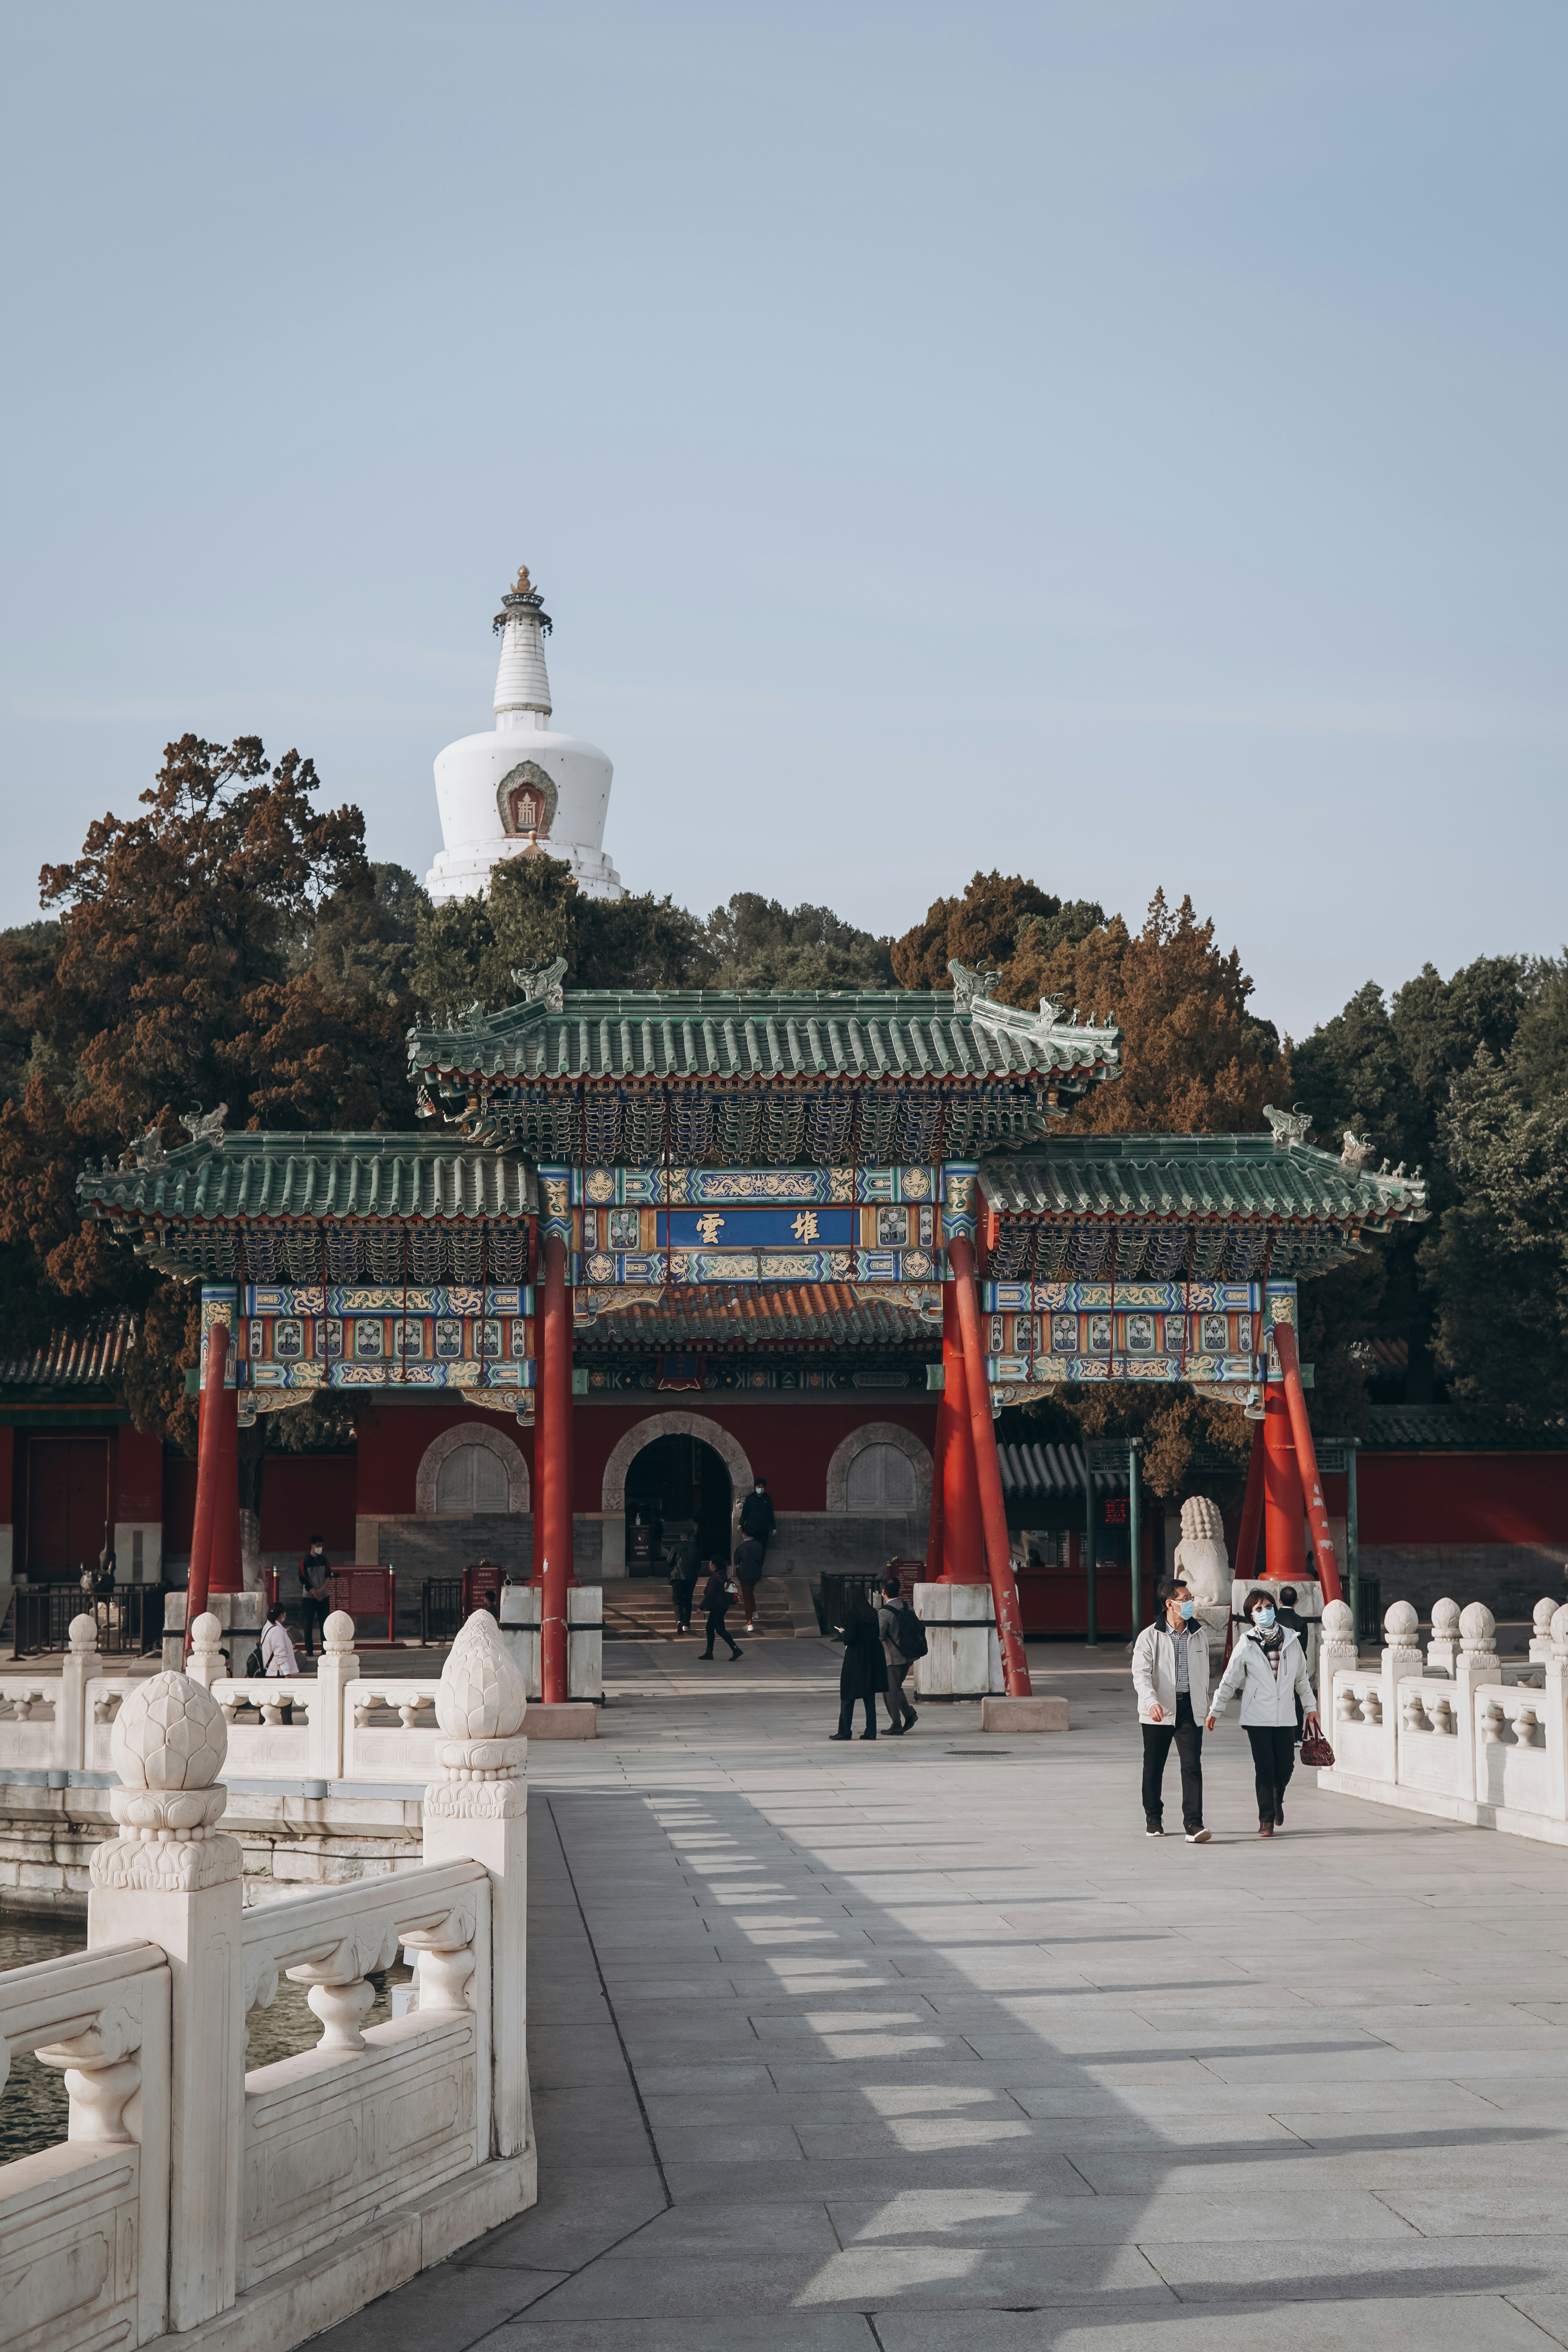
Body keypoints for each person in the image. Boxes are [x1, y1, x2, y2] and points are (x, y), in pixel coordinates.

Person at [1206, 1586, 1321, 1835]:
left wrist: (1311, 1708)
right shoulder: (1246, 1644)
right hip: (1257, 1716)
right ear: (1251, 1615)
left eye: (1269, 1607)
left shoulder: (1291, 1639)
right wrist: (1216, 1709)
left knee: (1286, 1765)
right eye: (1259, 1609)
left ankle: (1278, 1798)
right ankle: (1266, 1818)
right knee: (1265, 1766)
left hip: (1286, 1716)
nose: (1265, 1612)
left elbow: (1302, 1679)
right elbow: (1230, 1679)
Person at [1131, 1578, 1212, 1842]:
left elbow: (1204, 1674)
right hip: (1160, 1709)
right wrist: (1151, 1702)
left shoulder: (1199, 1634)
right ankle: (1153, 1817)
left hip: (1189, 1708)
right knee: (1154, 1766)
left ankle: (1194, 1824)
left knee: (1192, 1766)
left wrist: (1206, 1707)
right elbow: (1141, 1675)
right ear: (1170, 1604)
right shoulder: (1149, 1636)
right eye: (1187, 1599)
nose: (1191, 1603)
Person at [831, 1590, 888, 1741]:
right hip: (872, 1657)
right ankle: (871, 1731)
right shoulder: (872, 1613)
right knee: (869, 1695)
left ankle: (844, 1731)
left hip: (856, 1657)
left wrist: (844, 1633)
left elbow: (850, 1639)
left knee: (848, 1694)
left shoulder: (854, 1614)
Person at [875, 1572, 921, 1735]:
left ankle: (896, 1725)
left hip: (893, 1658)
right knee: (897, 1687)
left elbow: (880, 1635)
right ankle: (909, 1714)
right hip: (909, 1655)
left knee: (890, 1692)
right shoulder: (909, 1607)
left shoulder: (884, 1612)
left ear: (883, 1592)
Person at [698, 1563, 742, 1660]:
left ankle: (736, 1649)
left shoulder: (715, 1578)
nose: (709, 1565)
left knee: (720, 1630)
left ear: (714, 1565)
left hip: (717, 1607)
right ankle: (709, 1652)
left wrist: (701, 1608)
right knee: (710, 1628)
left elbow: (710, 1594)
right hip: (722, 1606)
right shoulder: (723, 1576)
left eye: (710, 1563)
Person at [298, 1539, 330, 1655]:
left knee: (325, 1624)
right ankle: (309, 1650)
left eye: (322, 1546)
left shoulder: (324, 1560)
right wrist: (314, 1592)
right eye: (318, 1546)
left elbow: (328, 1576)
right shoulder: (305, 1561)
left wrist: (321, 1591)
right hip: (309, 1598)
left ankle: (325, 1649)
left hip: (324, 1596)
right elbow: (303, 1579)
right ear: (312, 1545)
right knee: (308, 1624)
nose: (320, 1548)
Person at [667, 1526, 700, 1634]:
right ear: (691, 1538)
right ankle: (686, 1624)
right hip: (690, 1578)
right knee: (688, 1600)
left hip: (677, 1577)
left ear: (682, 1536)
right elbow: (698, 1565)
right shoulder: (694, 1549)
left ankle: (679, 1621)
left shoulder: (676, 1547)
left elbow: (670, 1561)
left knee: (677, 1600)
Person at [733, 1533, 765, 1632]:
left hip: (745, 1575)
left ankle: (750, 1623)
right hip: (756, 1574)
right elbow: (761, 1560)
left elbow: (736, 1561)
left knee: (747, 1597)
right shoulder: (759, 1546)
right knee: (750, 1593)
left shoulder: (741, 1547)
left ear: (744, 1535)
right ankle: (754, 1612)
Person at [739, 1477, 775, 1564]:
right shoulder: (750, 1499)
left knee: (762, 1549)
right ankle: (751, 1567)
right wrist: (741, 1524)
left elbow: (770, 1514)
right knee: (751, 1548)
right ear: (755, 1487)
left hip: (764, 1529)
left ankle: (759, 1569)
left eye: (762, 1487)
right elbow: (745, 1513)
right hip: (752, 1529)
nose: (760, 1489)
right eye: (759, 1487)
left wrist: (774, 1528)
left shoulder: (767, 1499)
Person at [261, 1602, 298, 1677]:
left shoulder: (267, 1627)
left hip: (272, 1671)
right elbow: (280, 1654)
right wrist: (287, 1673)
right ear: (282, 1615)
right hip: (278, 1672)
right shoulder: (277, 1631)